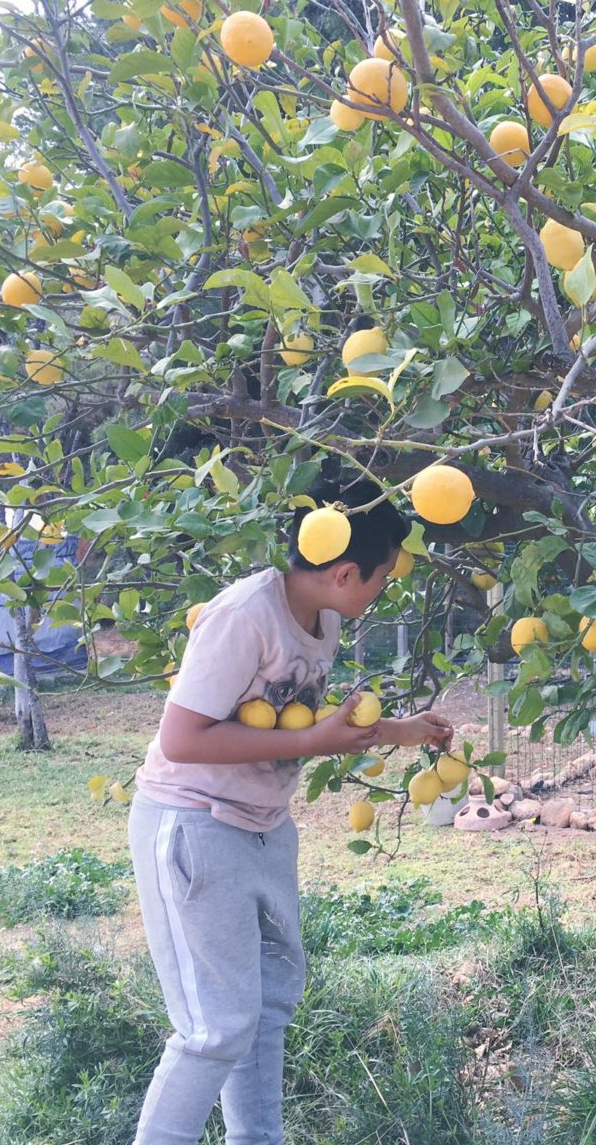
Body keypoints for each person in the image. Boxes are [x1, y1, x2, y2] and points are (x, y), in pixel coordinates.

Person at [126, 486, 453, 1145]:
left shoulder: (322, 620)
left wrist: (402, 730)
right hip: (194, 822)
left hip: (264, 826)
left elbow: (299, 720)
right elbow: (182, 740)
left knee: (267, 1004)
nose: (382, 592)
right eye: (384, 579)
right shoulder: (244, 615)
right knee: (213, 1027)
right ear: (343, 572)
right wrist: (311, 744)